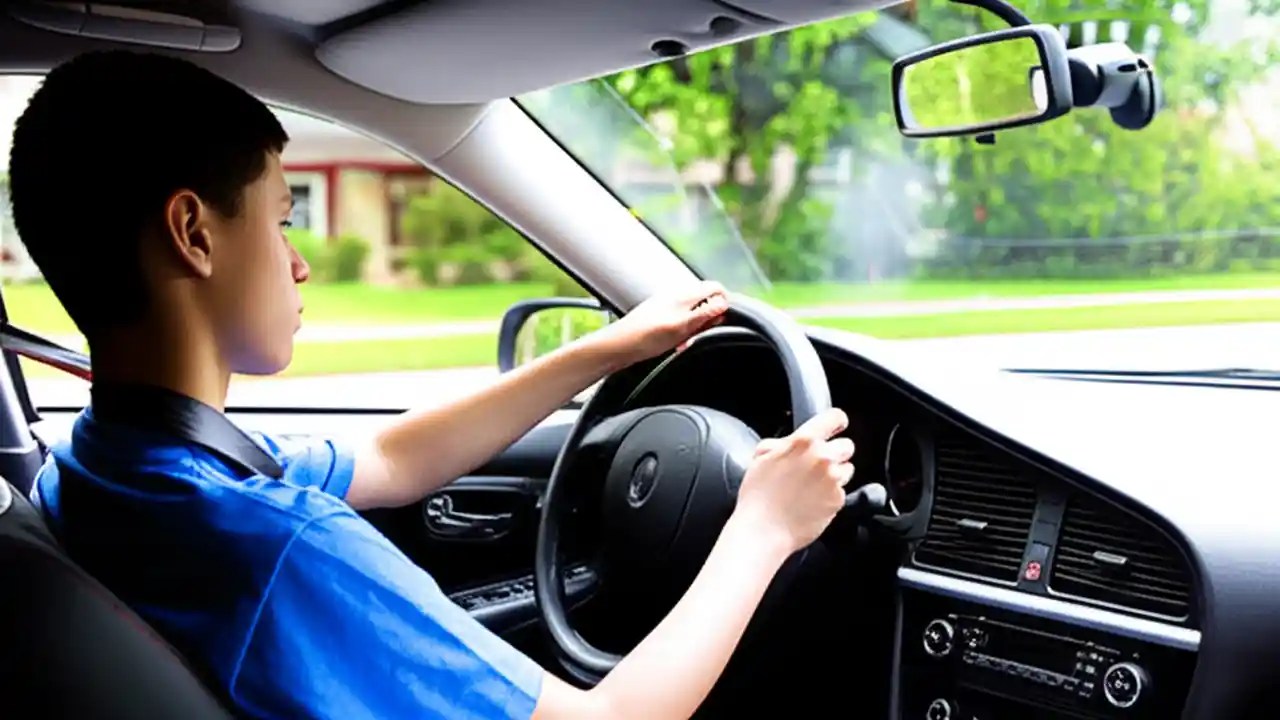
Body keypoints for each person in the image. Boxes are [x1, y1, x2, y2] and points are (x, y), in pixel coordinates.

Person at [7, 50, 856, 719]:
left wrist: (607, 350)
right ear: (193, 233)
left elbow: (389, 457)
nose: (300, 264)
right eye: (281, 221)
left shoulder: (106, 463)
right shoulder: (279, 550)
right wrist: (765, 526)